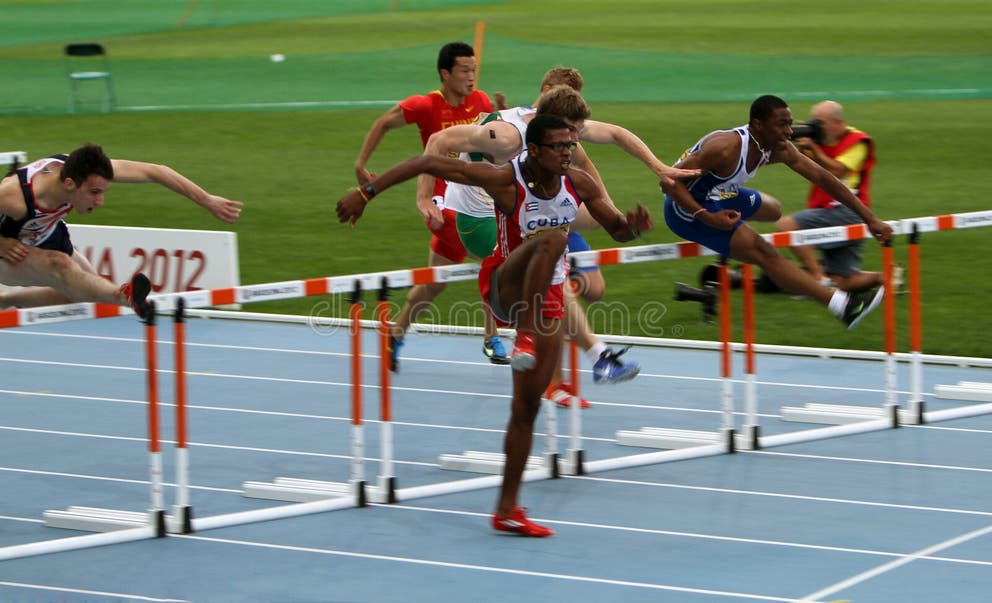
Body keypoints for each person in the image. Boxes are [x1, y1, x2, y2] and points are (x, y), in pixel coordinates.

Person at [338, 114, 653, 536]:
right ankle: (524, 335)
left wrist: (633, 228)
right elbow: (426, 162)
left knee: (526, 408)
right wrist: (365, 192)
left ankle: (506, 509)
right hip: (504, 283)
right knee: (554, 239)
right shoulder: (505, 179)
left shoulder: (579, 182)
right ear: (533, 149)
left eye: (571, 145)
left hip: (548, 298)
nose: (567, 153)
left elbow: (617, 230)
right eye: (558, 146)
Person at [418, 80, 699, 405]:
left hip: (533, 208)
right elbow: (439, 140)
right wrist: (425, 198)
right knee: (553, 278)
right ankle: (587, 358)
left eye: (577, 134)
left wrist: (655, 171)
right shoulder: (506, 135)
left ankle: (570, 357)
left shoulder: (561, 134)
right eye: (571, 134)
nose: (575, 142)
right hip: (481, 219)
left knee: (584, 266)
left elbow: (615, 135)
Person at [660, 95, 893, 329]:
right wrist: (707, 216)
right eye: (781, 125)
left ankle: (737, 241)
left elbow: (823, 177)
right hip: (686, 209)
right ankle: (844, 307)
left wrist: (869, 219)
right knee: (764, 252)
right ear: (759, 125)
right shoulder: (725, 149)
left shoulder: (777, 147)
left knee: (773, 210)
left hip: (721, 194)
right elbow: (669, 182)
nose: (789, 132)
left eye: (790, 124)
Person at [353, 41, 509, 371]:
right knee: (497, 253)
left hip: (473, 200)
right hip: (439, 205)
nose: (471, 76)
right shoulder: (425, 106)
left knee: (433, 283)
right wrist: (361, 163)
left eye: (474, 70)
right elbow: (384, 122)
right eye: (464, 70)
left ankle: (395, 334)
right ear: (445, 73)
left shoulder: (480, 102)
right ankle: (491, 337)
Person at [0, 143, 243, 316]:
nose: (100, 201)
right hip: (9, 247)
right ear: (69, 184)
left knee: (83, 291)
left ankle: (4, 301)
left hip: (44, 230)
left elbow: (155, 171)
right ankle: (124, 296)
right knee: (60, 266)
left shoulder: (81, 169)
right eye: (94, 193)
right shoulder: (13, 196)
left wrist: (206, 200)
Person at [774, 100, 889, 292]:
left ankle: (819, 280)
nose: (816, 128)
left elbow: (838, 171)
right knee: (843, 281)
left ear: (837, 122)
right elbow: (809, 167)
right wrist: (805, 148)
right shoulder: (823, 141)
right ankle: (886, 277)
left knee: (787, 226)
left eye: (820, 123)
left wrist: (814, 149)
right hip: (842, 212)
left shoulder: (858, 141)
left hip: (849, 211)